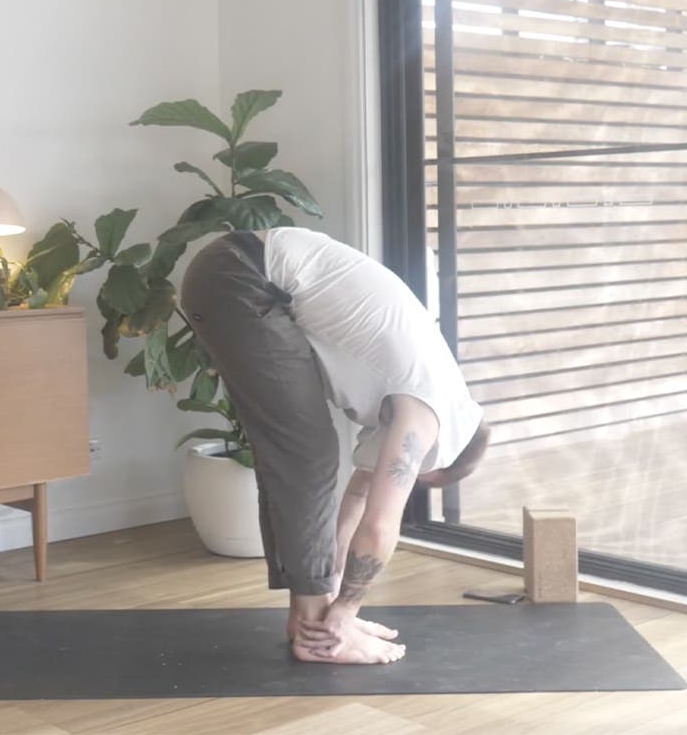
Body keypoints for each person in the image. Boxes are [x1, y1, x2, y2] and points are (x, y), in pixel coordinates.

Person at [180, 226, 490, 665]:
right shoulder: (425, 412)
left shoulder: (424, 391)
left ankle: (310, 620)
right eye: (422, 476)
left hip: (237, 273)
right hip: (243, 275)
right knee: (307, 455)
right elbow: (381, 524)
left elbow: (360, 498)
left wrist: (337, 602)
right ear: (444, 454)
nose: (410, 475)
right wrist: (344, 613)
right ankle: (316, 637)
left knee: (302, 453)